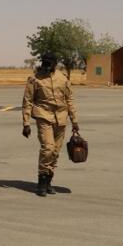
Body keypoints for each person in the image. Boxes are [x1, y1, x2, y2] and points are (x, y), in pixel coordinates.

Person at [22, 53, 79, 197]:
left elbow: (69, 100)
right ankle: (41, 181)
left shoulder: (63, 78)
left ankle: (48, 181)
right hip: (43, 116)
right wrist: (26, 123)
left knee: (55, 152)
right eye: (44, 63)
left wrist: (74, 121)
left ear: (55, 64)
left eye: (49, 63)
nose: (45, 66)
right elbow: (27, 101)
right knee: (48, 148)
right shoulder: (35, 79)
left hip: (61, 118)